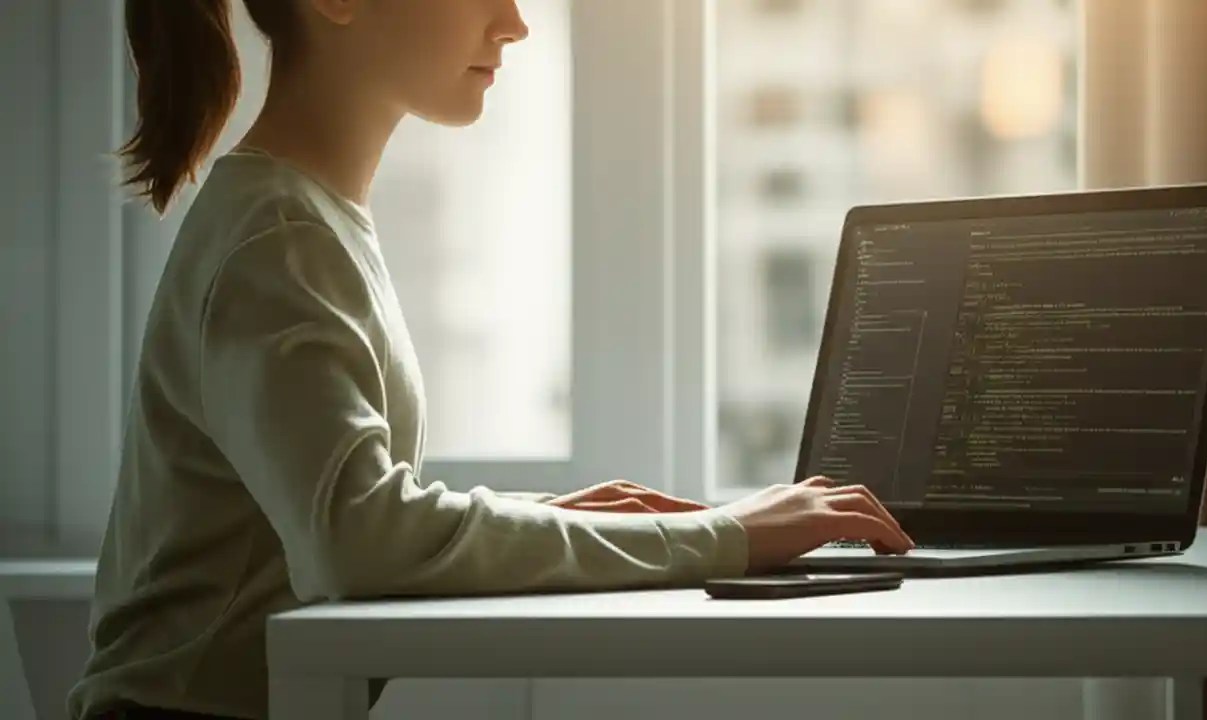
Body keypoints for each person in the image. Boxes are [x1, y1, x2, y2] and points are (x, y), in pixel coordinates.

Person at [69, 1, 914, 718]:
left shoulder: (298, 220)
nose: (514, 24)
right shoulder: (279, 238)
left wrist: (556, 521)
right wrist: (724, 535)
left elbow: (342, 521)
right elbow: (357, 544)